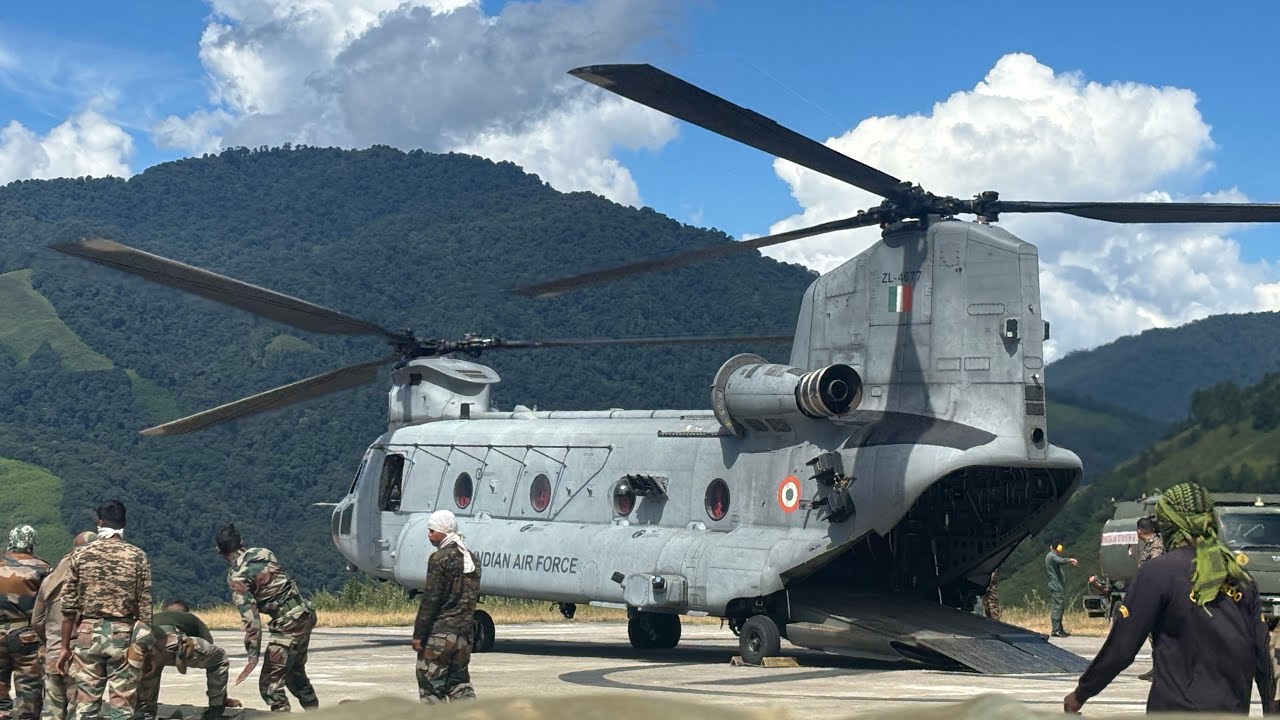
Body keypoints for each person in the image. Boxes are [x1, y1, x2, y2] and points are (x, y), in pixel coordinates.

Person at [1064, 482, 1277, 715]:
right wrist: (1271, 710)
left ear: (1169, 523)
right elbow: (1263, 656)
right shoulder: (1242, 579)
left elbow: (1122, 648)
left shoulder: (1158, 573)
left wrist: (1081, 694)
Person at [57, 501, 152, 720]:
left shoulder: (80, 555)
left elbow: (68, 606)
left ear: (99, 523)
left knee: (86, 706)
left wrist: (64, 647)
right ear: (124, 523)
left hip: (87, 634)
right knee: (122, 707)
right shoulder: (138, 556)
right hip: (124, 634)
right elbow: (145, 608)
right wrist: (147, 648)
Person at [216, 524, 318, 712]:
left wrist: (252, 658)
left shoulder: (237, 577)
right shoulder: (264, 552)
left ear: (219, 551)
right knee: (294, 674)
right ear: (242, 542)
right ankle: (319, 714)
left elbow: (251, 620)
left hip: (286, 624)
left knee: (270, 686)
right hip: (304, 614)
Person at [412, 510, 481, 704]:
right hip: (465, 635)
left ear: (443, 531)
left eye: (432, 530)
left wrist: (419, 634)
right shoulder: (472, 559)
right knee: (459, 683)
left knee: (430, 684)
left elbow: (431, 599)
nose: (429, 535)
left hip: (441, 634)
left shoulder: (439, 558)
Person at [137, 600, 240, 720]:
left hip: (145, 648)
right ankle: (216, 708)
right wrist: (223, 697)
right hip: (173, 644)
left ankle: (144, 713)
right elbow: (210, 648)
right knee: (219, 658)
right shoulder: (191, 618)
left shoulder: (155, 616)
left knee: (151, 671)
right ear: (185, 611)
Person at [31, 531, 97, 720]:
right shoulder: (88, 576)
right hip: (79, 654)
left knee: (52, 711)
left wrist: (51, 641)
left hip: (53, 652)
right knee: (77, 710)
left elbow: (36, 621)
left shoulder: (50, 579)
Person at [0, 525, 53, 720]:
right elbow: (49, 605)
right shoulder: (42, 568)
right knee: (29, 689)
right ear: (31, 543)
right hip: (26, 634)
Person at [1134, 515, 1164, 682]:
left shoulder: (1156, 546)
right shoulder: (1149, 545)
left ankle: (1161, 671)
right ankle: (1156, 668)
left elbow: (1156, 570)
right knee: (1152, 635)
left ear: (1140, 531)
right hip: (1149, 594)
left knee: (1158, 634)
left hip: (1155, 595)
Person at [1045, 541, 1077, 638]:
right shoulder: (1051, 556)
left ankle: (1059, 628)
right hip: (1056, 586)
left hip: (1057, 585)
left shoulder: (1050, 556)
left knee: (1060, 606)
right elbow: (1060, 560)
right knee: (1057, 607)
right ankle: (1056, 630)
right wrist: (1070, 560)